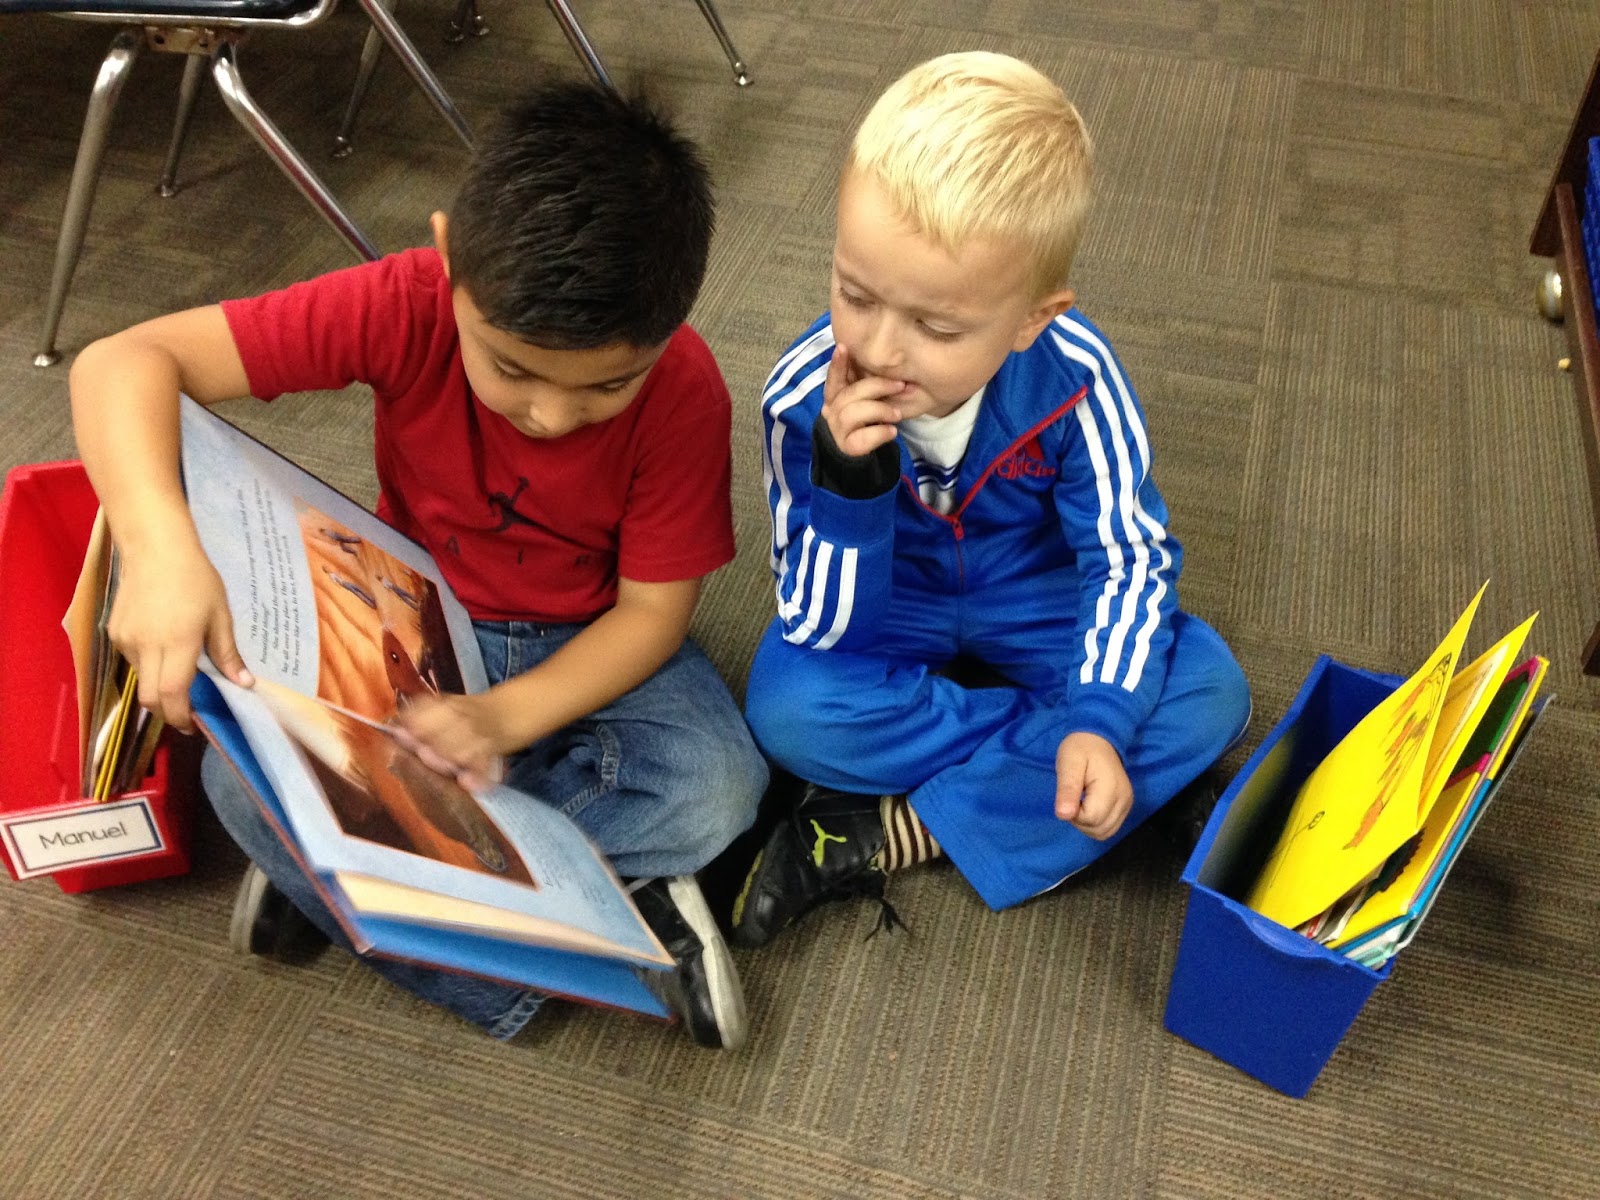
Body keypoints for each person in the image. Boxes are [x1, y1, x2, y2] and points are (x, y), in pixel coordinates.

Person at [69, 81, 769, 1050]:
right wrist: (158, 550)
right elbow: (120, 363)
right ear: (447, 256)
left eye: (608, 385)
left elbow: (650, 616)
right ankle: (571, 903)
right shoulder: (405, 302)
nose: (551, 415)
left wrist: (501, 721)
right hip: (409, 621)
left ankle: (354, 882)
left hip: (589, 637)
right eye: (512, 368)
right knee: (235, 788)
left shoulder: (684, 391)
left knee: (717, 785)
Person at [731, 52, 1251, 947]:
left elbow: (1128, 563)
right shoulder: (801, 394)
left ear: (1031, 320)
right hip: (894, 607)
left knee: (1211, 692)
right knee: (788, 711)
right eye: (854, 294)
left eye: (936, 327)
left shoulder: (1079, 380)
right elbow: (817, 623)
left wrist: (1098, 714)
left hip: (1035, 599)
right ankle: (1077, 771)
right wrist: (851, 487)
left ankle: (894, 830)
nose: (880, 349)